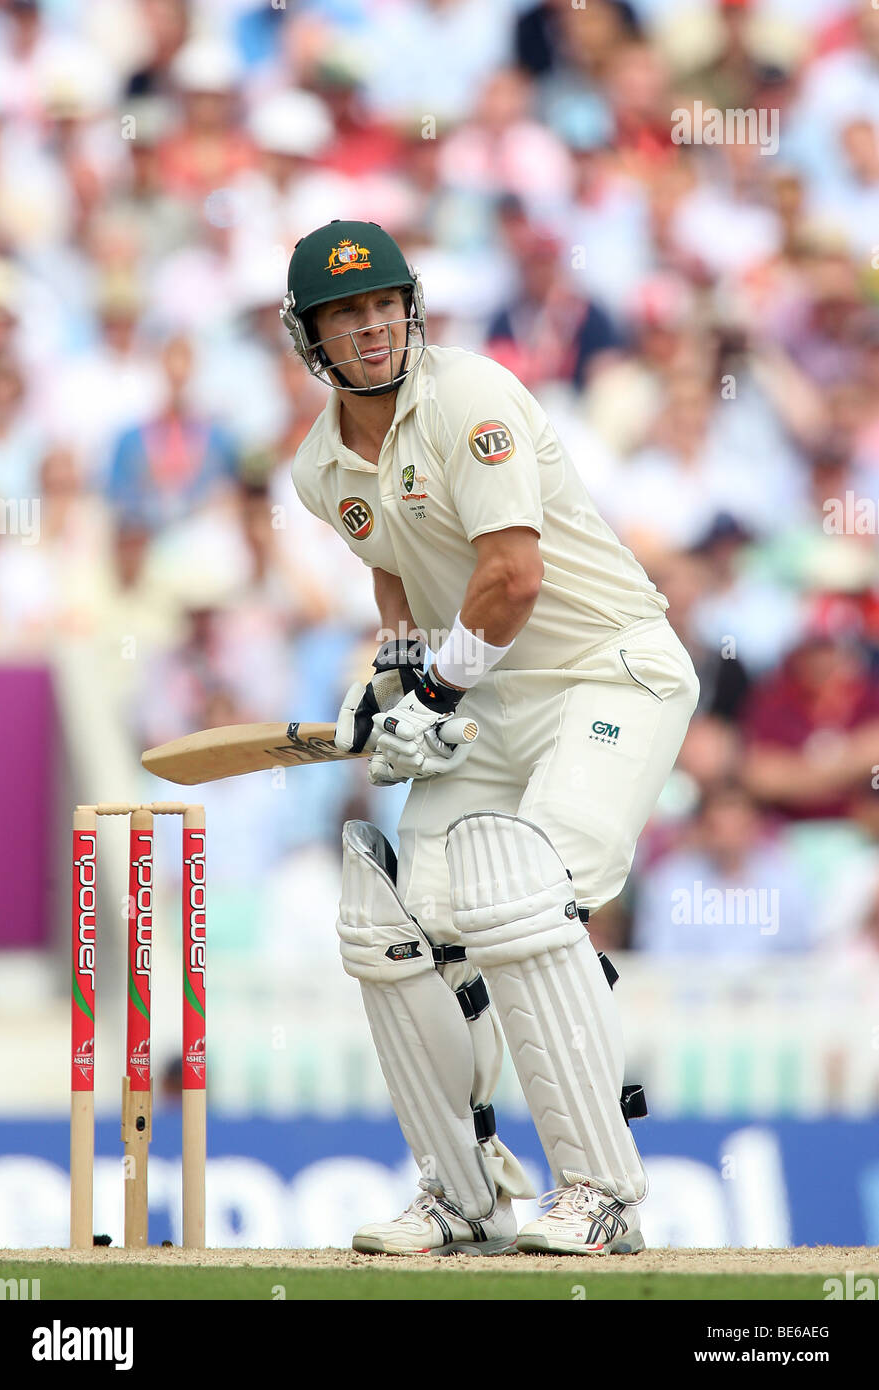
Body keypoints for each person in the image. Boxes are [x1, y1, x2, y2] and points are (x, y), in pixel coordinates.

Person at [282, 219, 700, 1255]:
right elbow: (406, 590)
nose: (372, 326)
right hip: (493, 700)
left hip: (607, 668)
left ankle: (601, 1191)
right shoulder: (318, 470)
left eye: (384, 303)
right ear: (312, 337)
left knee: (518, 889)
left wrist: (431, 687)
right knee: (396, 925)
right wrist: (390, 683)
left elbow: (513, 578)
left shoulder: (470, 397)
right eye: (347, 313)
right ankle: (460, 1195)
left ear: (409, 307)